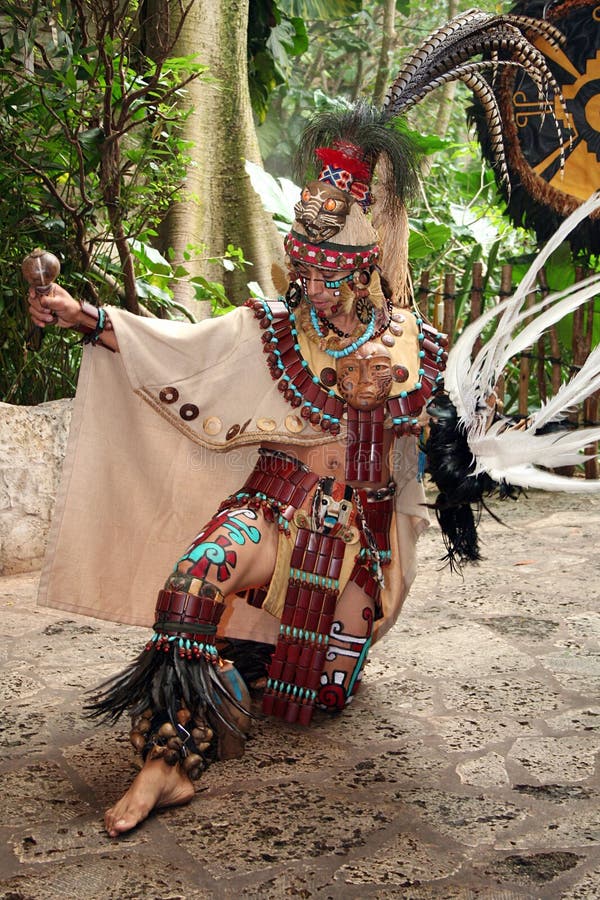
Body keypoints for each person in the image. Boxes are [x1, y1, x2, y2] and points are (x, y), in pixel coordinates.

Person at [26, 12, 571, 838]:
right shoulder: (268, 328)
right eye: (302, 266)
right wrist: (81, 315)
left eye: (328, 270)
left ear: (365, 267)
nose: (309, 283)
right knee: (192, 582)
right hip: (269, 510)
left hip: (359, 542)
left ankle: (253, 671)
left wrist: (459, 439)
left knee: (315, 695)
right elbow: (177, 346)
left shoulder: (413, 346)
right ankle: (166, 766)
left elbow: (460, 456)